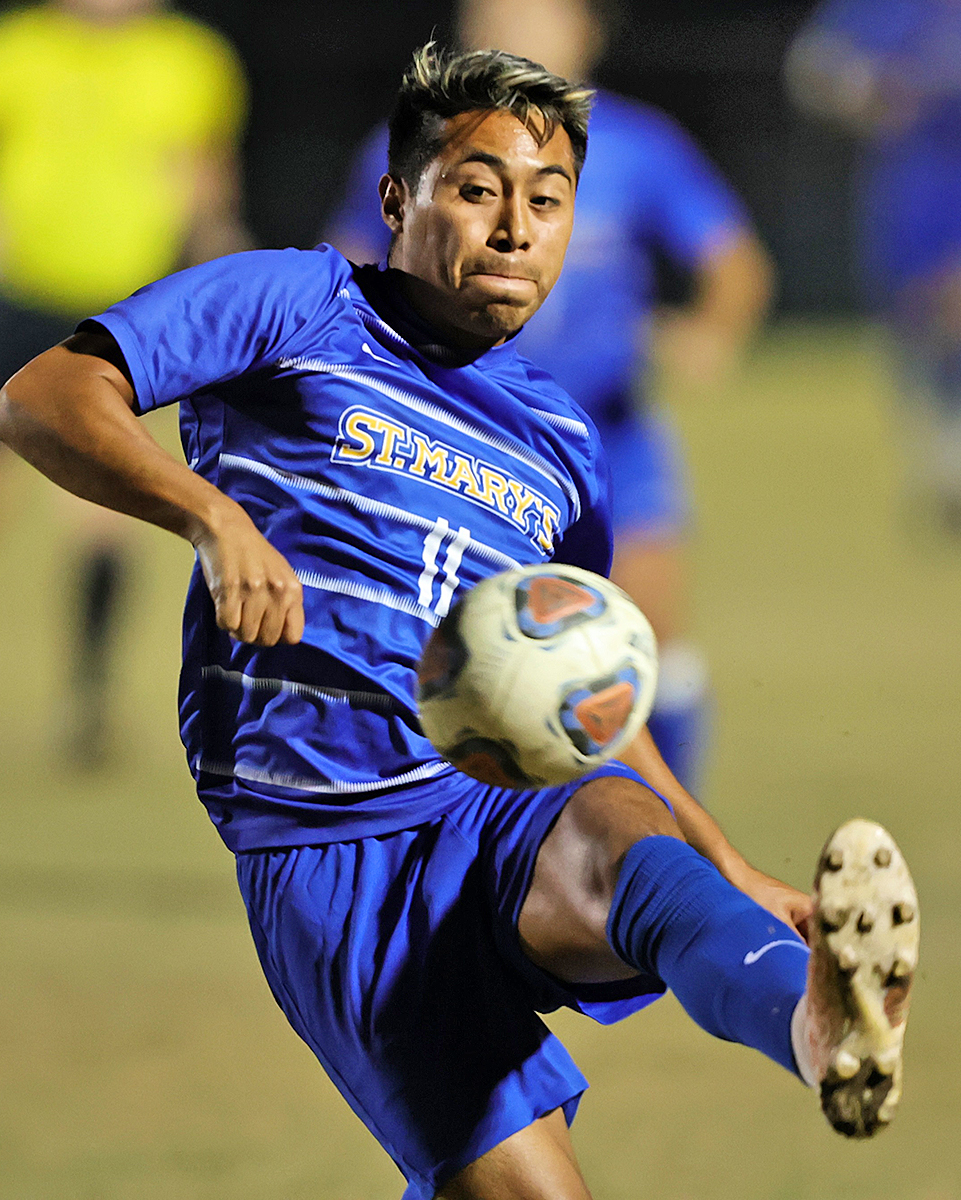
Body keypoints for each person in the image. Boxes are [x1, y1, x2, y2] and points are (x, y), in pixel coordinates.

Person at [0, 44, 919, 1200]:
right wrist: (211, 518)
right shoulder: (297, 303)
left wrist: (725, 858)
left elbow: (584, 686)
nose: (516, 229)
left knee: (627, 838)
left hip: (490, 803)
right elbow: (42, 397)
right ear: (398, 200)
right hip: (331, 854)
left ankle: (815, 1022)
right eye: (478, 189)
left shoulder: (561, 444)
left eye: (548, 200)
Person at [327, 0, 775, 793]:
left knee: (653, 638)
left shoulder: (638, 147)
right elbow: (347, 267)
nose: (522, 33)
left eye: (543, 16)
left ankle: (676, 836)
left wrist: (711, 329)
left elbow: (735, 262)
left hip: (607, 437)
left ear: (586, 33)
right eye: (501, 16)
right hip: (456, 439)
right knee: (447, 652)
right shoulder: (420, 146)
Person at [0, 0, 248, 765]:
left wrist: (223, 270)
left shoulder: (195, 59)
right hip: (11, 302)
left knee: (103, 504)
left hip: (116, 312)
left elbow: (205, 185)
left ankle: (87, 701)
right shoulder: (5, 49)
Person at [786, 0, 961, 541]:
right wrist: (868, 93)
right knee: (922, 311)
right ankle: (936, 449)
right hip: (914, 170)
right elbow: (815, 68)